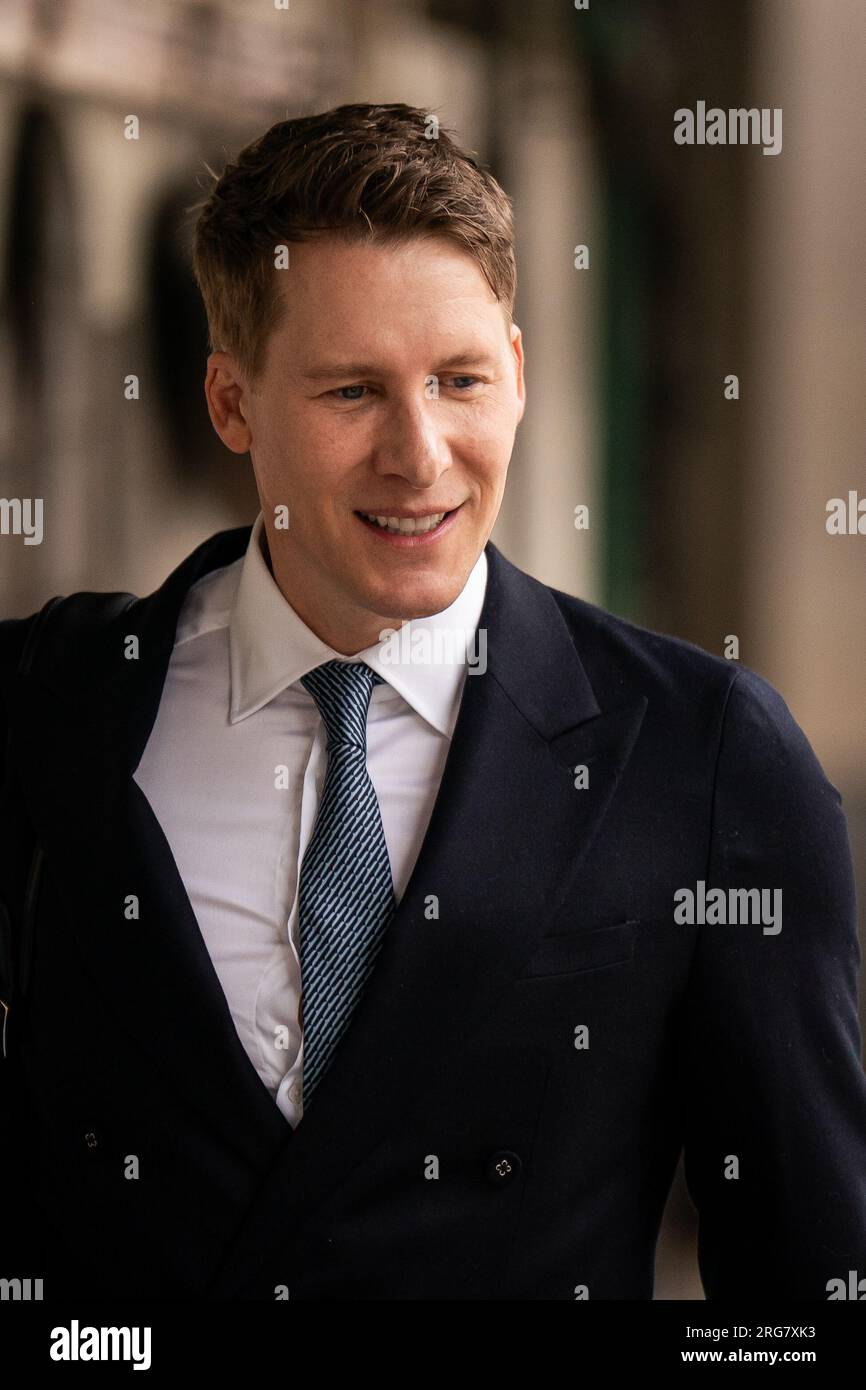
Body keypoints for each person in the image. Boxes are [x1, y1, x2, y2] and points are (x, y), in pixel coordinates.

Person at [1, 103, 864, 1301]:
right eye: (351, 392)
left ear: (516, 372)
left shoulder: (703, 755)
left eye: (458, 379)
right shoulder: (41, 711)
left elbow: (807, 1288)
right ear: (231, 403)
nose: (419, 455)